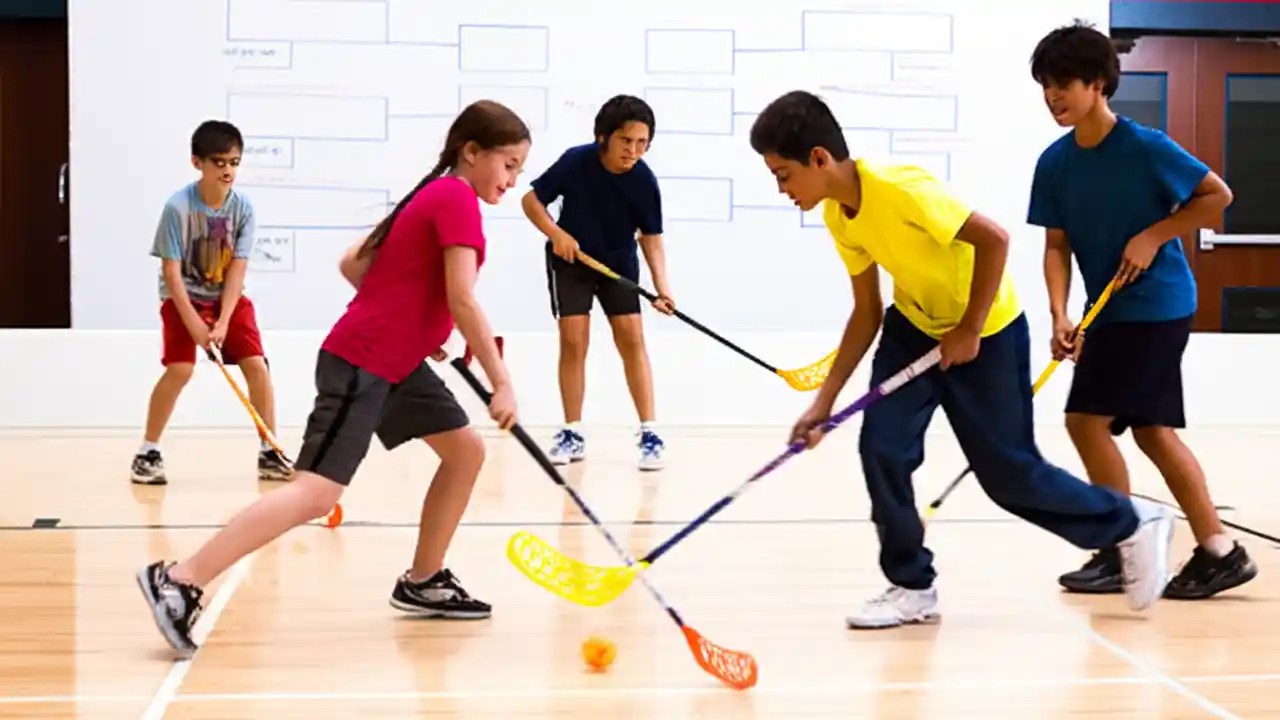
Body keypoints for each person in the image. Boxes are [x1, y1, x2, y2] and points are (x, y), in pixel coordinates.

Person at [748, 89, 1176, 630]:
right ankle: (911, 585)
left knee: (1009, 476)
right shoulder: (840, 216)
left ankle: (1130, 521)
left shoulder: (900, 189)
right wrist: (824, 404)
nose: (781, 189)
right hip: (915, 328)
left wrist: (970, 328)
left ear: (818, 159)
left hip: (989, 330)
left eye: (782, 174)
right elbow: (865, 313)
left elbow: (993, 241)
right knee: (882, 448)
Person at [136, 100, 530, 655]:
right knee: (315, 493)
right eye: (509, 165)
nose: (512, 180)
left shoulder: (431, 192)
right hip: (365, 360)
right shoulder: (458, 199)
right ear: (472, 153)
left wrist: (416, 323)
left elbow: (355, 265)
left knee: (465, 453)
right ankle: (179, 580)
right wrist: (501, 378)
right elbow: (462, 297)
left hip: (396, 360)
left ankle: (423, 581)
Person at [1027, 21, 1256, 600]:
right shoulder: (1055, 163)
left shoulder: (1145, 147)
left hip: (1157, 305)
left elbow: (1216, 197)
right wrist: (1059, 314)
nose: (1053, 96)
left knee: (1092, 422)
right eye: (1045, 86)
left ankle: (1125, 545)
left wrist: (1154, 235)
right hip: (1107, 311)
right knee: (1148, 432)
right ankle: (1214, 550)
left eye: (1064, 84)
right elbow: (1056, 246)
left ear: (1098, 83)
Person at [132, 119, 292, 485]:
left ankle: (269, 451)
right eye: (219, 162)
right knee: (181, 369)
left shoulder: (244, 209)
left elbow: (237, 269)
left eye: (234, 162)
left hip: (226, 299)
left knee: (257, 365)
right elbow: (172, 275)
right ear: (197, 163)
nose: (227, 171)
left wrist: (222, 323)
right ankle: (147, 452)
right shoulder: (178, 208)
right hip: (182, 298)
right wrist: (196, 327)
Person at [521, 94, 674, 471]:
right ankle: (572, 431)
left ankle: (650, 431)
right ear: (604, 136)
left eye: (642, 143)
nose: (634, 150)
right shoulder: (576, 161)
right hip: (571, 263)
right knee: (574, 340)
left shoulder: (644, 180)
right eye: (626, 141)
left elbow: (651, 238)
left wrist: (662, 288)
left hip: (618, 265)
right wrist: (556, 234)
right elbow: (531, 201)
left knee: (632, 339)